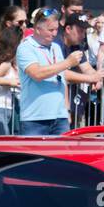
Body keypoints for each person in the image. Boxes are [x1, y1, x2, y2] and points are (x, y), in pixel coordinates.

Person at [16, 8, 90, 136]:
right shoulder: (25, 47)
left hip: (59, 117)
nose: (55, 33)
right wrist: (67, 63)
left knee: (62, 155)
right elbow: (37, 74)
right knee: (35, 156)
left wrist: (66, 110)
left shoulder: (55, 47)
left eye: (56, 29)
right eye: (50, 30)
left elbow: (62, 79)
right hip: (35, 118)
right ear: (38, 29)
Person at [60, 14, 103, 127]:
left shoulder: (76, 46)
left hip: (71, 100)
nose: (83, 36)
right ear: (68, 29)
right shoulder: (56, 45)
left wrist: (97, 77)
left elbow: (86, 67)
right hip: (55, 103)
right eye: (80, 31)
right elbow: (61, 74)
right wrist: (90, 78)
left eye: (84, 32)